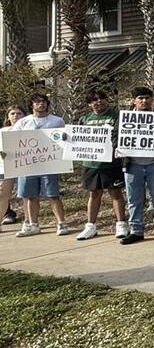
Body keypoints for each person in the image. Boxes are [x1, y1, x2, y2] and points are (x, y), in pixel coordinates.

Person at [120, 87, 154, 245]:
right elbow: (115, 136)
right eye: (140, 98)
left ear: (152, 100)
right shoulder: (125, 119)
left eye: (147, 98)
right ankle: (136, 231)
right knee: (134, 200)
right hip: (132, 166)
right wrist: (119, 147)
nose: (144, 101)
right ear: (134, 100)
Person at [9, 93, 68, 237]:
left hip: (49, 164)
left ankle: (61, 223)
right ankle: (33, 224)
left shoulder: (57, 121)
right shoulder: (23, 122)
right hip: (28, 165)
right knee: (30, 196)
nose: (41, 104)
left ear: (47, 104)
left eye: (43, 102)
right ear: (32, 105)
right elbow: (13, 140)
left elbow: (65, 139)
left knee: (53, 195)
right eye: (37, 102)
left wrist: (65, 137)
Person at [74, 90, 128, 241]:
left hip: (112, 162)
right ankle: (90, 226)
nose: (99, 102)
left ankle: (121, 224)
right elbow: (78, 139)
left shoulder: (117, 116)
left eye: (102, 99)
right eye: (94, 100)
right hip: (91, 163)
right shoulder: (84, 119)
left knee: (116, 193)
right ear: (89, 104)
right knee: (94, 194)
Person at [0, 105, 26, 233]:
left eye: (19, 113)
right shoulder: (2, 131)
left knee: (27, 195)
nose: (16, 116)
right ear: (8, 116)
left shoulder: (30, 130)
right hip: (6, 167)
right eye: (13, 113)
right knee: (2, 195)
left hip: (26, 166)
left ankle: (29, 222)